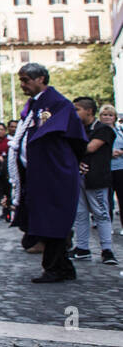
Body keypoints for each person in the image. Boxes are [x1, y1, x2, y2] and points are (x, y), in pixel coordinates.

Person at [10, 63, 87, 283]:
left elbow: (76, 138)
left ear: (41, 79)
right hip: (39, 173)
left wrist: (69, 162)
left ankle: (53, 267)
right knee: (46, 218)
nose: (22, 85)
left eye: (26, 80)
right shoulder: (34, 105)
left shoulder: (58, 104)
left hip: (55, 171)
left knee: (54, 219)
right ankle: (63, 266)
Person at [70, 96, 115, 265]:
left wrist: (73, 150)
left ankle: (107, 250)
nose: (74, 113)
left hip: (96, 178)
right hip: (79, 177)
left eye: (77, 109)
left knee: (101, 214)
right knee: (80, 214)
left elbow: (90, 147)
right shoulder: (77, 129)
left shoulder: (103, 129)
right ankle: (82, 248)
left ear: (89, 111)